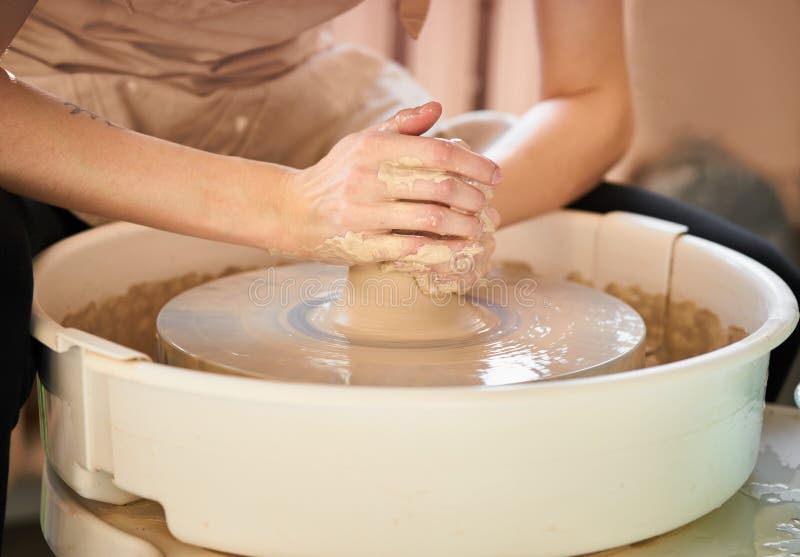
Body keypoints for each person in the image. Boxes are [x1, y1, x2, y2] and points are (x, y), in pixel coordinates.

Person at [1, 0, 797, 549]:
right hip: (56, 119)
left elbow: (591, 98)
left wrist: (447, 212)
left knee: (757, 271)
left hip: (293, 102)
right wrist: (287, 204)